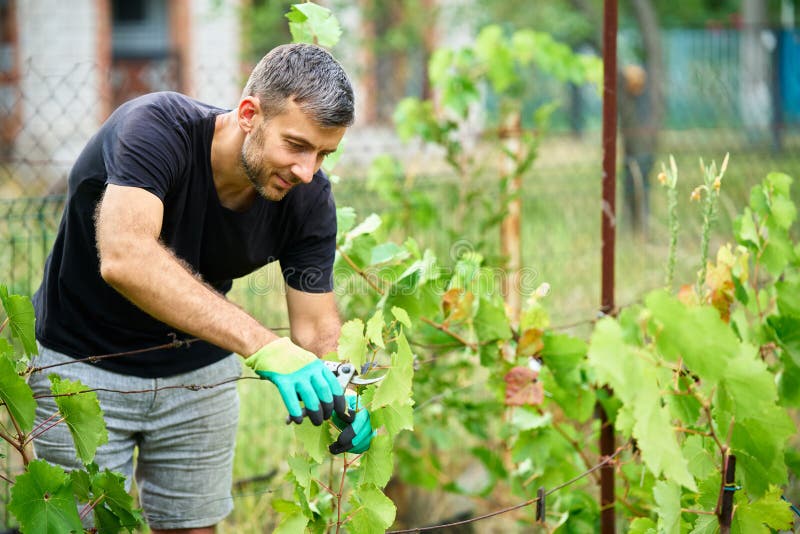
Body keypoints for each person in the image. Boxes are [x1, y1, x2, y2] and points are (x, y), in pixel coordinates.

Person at [28, 43, 372, 533]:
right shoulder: (154, 129)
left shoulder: (308, 198)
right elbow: (126, 258)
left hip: (197, 376)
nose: (308, 170)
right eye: (296, 145)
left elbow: (316, 324)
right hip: (82, 367)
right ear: (250, 113)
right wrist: (265, 347)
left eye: (324, 153)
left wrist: (342, 389)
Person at [619, 64, 657, 234]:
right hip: (631, 151)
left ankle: (642, 227)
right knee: (629, 190)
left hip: (643, 151)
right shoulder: (626, 100)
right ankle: (631, 226)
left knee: (642, 190)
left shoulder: (645, 102)